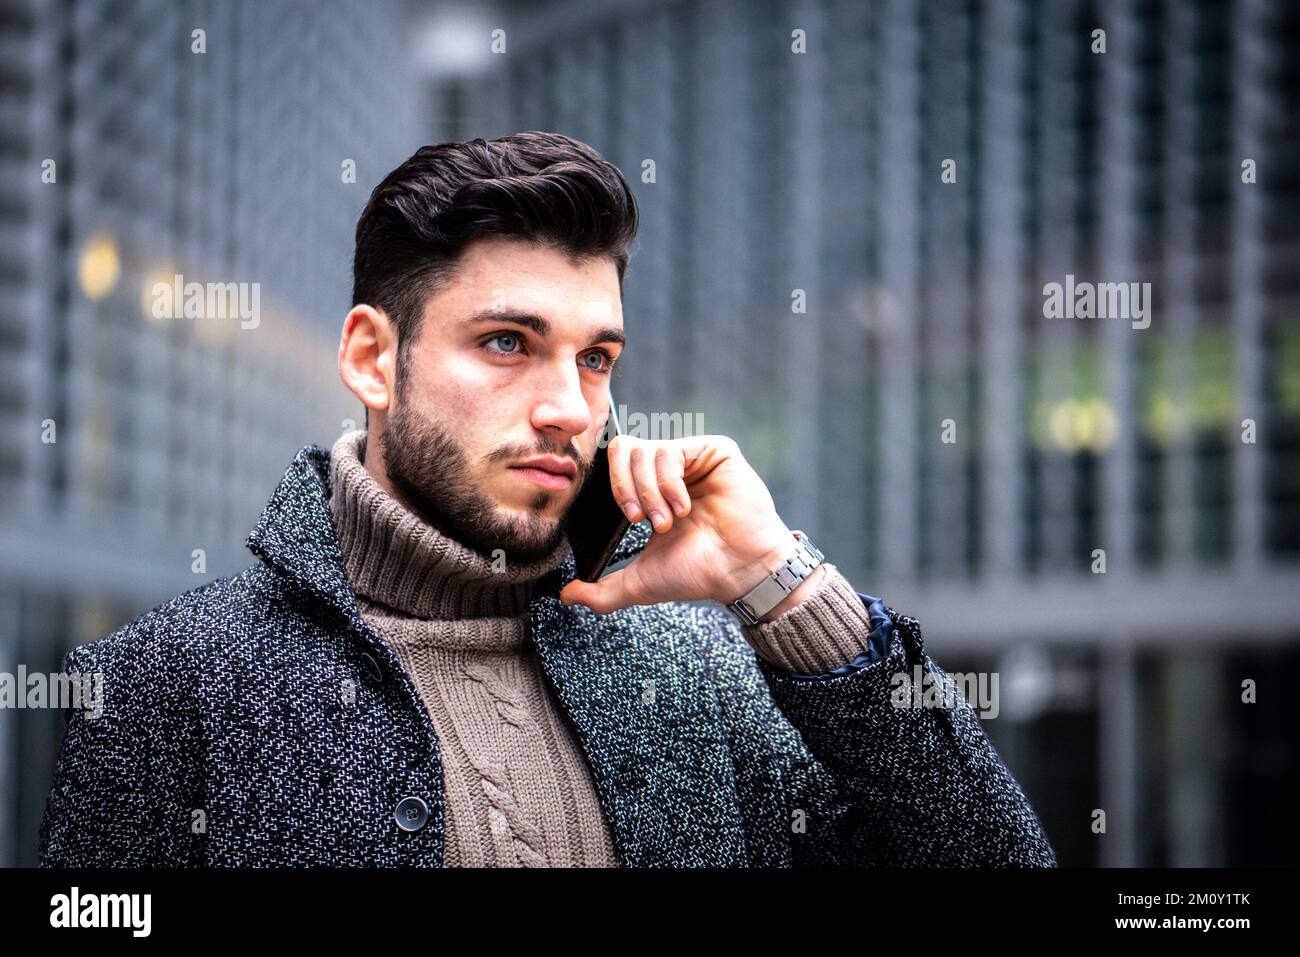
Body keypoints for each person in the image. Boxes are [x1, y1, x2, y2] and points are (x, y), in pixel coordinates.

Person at [39, 131, 1056, 867]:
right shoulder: (168, 684)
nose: (571, 408)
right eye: (507, 344)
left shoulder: (697, 668)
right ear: (370, 357)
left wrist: (780, 591)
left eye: (597, 358)